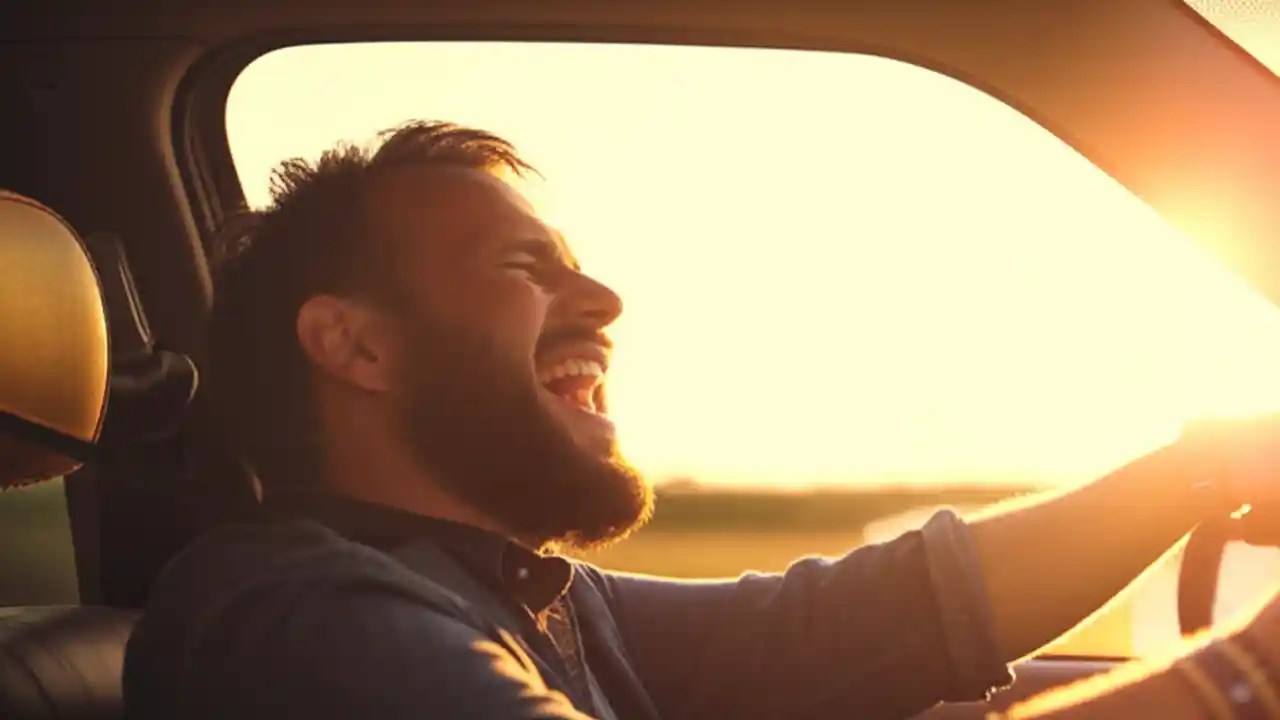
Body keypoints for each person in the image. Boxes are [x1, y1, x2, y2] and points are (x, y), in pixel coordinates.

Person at [123, 120, 1280, 720]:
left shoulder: (517, 600)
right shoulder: (298, 619)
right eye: (526, 265)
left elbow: (875, 619)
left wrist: (1202, 468)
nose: (602, 303)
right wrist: (1245, 675)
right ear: (356, 345)